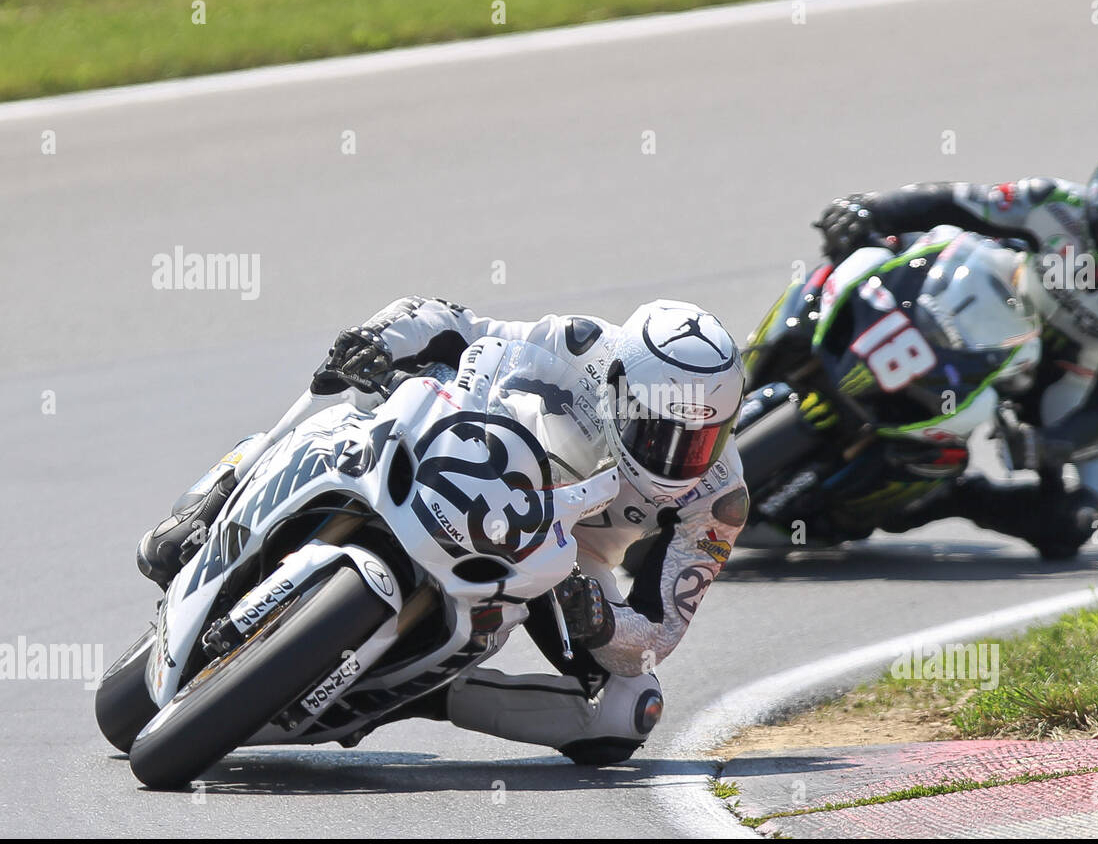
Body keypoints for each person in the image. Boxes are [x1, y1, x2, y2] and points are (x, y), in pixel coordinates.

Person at [137, 297, 749, 764]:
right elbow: (458, 323)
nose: (679, 460)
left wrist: (602, 621)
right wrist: (381, 338)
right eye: (662, 433)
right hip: (481, 457)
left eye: (701, 440)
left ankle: (420, 693)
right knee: (346, 396)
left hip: (561, 553)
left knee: (628, 711)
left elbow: (659, 633)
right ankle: (212, 498)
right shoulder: (582, 345)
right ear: (621, 389)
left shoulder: (719, 500)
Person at [812, 137, 1098, 558]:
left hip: (1066, 375)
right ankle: (796, 337)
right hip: (1000, 302)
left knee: (1074, 520)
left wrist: (1058, 442)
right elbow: (955, 202)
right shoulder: (1050, 202)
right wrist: (871, 209)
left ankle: (944, 494)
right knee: (880, 247)